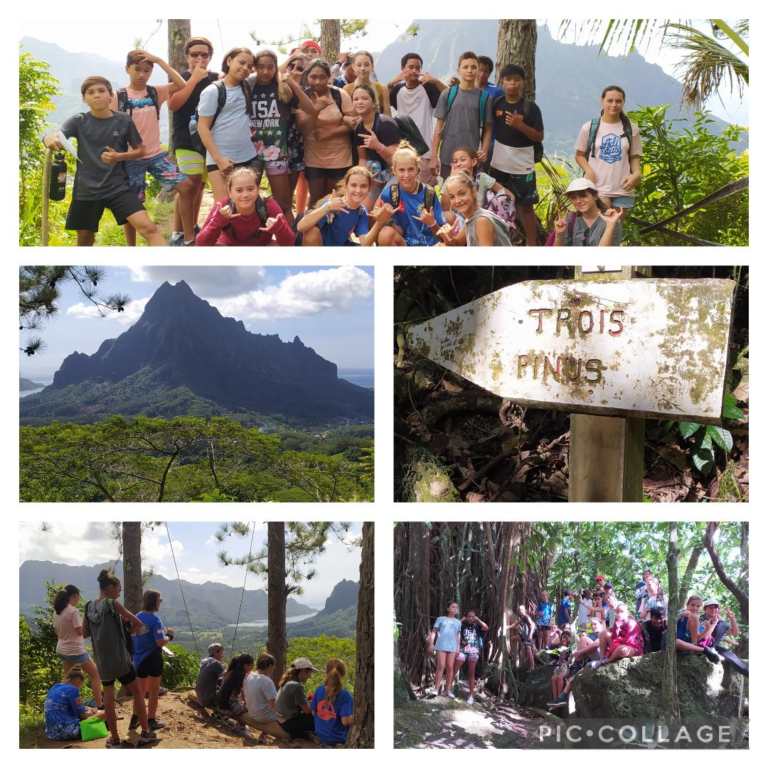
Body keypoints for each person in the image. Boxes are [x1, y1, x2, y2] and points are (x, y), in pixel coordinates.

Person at [42, 77, 166, 247]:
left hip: (118, 187)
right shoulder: (78, 121)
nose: (97, 95)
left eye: (101, 91)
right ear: (84, 99)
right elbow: (58, 136)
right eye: (90, 92)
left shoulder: (123, 120)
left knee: (149, 229)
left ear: (111, 95)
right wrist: (47, 138)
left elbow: (140, 150)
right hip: (86, 190)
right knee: (85, 240)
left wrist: (119, 156)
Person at [111, 50, 194, 246]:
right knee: (133, 204)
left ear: (151, 72)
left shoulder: (155, 91)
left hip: (156, 155)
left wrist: (159, 61)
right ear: (127, 69)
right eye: (137, 69)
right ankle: (131, 246)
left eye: (147, 70)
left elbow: (182, 84)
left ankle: (189, 238)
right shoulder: (118, 96)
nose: (141, 74)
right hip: (131, 158)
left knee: (186, 187)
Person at [82, 569, 156, 748]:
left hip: (103, 661)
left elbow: (84, 633)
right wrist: (127, 634)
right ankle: (146, 732)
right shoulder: (112, 604)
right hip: (120, 659)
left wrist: (101, 631)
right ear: (110, 587)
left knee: (108, 697)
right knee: (137, 692)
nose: (119, 592)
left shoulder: (89, 606)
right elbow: (137, 622)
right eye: (118, 589)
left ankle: (114, 739)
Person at [247, 49, 316, 226]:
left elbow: (309, 108)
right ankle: (251, 236)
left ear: (276, 68)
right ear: (254, 67)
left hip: (276, 152)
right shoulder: (247, 87)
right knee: (248, 200)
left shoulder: (282, 87)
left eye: (270, 67)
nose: (265, 71)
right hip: (249, 151)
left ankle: (290, 237)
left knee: (283, 203)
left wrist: (290, 83)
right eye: (260, 67)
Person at [167, 37, 220, 246]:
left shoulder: (216, 79)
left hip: (209, 140)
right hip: (185, 139)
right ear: (187, 56)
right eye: (194, 54)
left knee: (199, 186)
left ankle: (191, 226)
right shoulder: (180, 78)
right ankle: (178, 233)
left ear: (210, 57)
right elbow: (174, 105)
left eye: (204, 55)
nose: (199, 58)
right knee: (188, 187)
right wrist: (193, 80)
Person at [489, 64, 544, 247]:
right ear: (502, 82)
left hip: (523, 163)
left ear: (523, 83)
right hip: (500, 161)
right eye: (508, 79)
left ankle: (532, 244)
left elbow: (539, 136)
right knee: (498, 202)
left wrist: (521, 126)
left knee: (526, 206)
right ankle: (499, 241)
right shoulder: (496, 103)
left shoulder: (530, 108)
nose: (512, 83)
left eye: (517, 80)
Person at [197, 47, 257, 203]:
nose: (245, 68)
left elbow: (273, 70)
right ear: (229, 61)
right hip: (221, 157)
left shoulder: (247, 85)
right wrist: (219, 159)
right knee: (224, 206)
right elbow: (202, 127)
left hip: (246, 155)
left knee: (245, 204)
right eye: (241, 62)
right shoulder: (212, 91)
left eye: (250, 66)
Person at [575, 85, 642, 220]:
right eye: (610, 101)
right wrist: (589, 171)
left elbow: (634, 157)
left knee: (616, 229)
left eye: (618, 101)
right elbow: (579, 155)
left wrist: (637, 174)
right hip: (597, 188)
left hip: (624, 188)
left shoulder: (631, 129)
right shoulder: (589, 127)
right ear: (602, 101)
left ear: (623, 102)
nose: (614, 105)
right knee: (599, 228)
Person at [299, 59, 357, 207]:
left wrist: (329, 133)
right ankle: (312, 223)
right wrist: (317, 109)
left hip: (340, 157)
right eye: (313, 77)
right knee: (315, 200)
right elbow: (303, 129)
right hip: (313, 157)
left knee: (335, 200)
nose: (318, 81)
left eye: (322, 77)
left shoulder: (339, 95)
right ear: (307, 77)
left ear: (329, 77)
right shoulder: (303, 97)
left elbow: (353, 123)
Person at [431, 51, 492, 182]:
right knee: (448, 190)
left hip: (472, 159)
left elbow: (487, 129)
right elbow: (439, 127)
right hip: (448, 157)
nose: (470, 70)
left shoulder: (484, 97)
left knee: (470, 191)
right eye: (465, 67)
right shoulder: (448, 94)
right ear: (458, 70)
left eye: (474, 67)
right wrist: (433, 156)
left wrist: (484, 151)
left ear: (478, 70)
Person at [197, 165, 295, 246]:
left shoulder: (269, 206)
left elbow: (290, 243)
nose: (245, 195)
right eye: (239, 190)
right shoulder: (223, 206)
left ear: (258, 189)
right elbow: (200, 244)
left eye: (250, 189)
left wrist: (280, 229)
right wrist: (217, 222)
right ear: (230, 192)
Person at [387, 52, 447, 184]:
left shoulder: (428, 87)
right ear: (402, 68)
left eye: (418, 68)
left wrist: (436, 81)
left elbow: (450, 98)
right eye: (411, 67)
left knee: (424, 189)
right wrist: (391, 83)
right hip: (403, 152)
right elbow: (381, 101)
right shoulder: (397, 89)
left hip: (424, 152)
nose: (414, 71)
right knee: (404, 187)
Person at [296, 166, 392, 246]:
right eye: (353, 185)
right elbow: (300, 227)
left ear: (369, 189)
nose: (358, 190)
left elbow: (365, 244)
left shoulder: (361, 212)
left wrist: (379, 222)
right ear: (346, 187)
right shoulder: (333, 204)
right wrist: (326, 207)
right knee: (312, 231)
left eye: (363, 186)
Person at [377, 142, 446, 246]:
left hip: (430, 244)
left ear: (417, 169)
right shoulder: (389, 195)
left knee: (449, 218)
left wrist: (432, 223)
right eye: (401, 170)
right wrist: (386, 220)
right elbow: (398, 232)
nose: (406, 175)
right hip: (405, 244)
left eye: (411, 169)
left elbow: (441, 234)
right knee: (385, 234)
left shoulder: (429, 193)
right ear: (394, 171)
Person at [440, 146, 516, 235]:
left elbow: (510, 196)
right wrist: (451, 179)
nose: (459, 164)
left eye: (463, 160)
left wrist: (494, 209)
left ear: (474, 162)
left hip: (481, 217)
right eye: (455, 161)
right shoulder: (451, 180)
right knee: (447, 215)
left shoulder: (482, 178)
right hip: (459, 219)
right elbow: (444, 208)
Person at [352, 84, 402, 210]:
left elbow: (397, 160)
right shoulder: (359, 128)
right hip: (377, 175)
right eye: (356, 99)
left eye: (364, 98)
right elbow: (363, 158)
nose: (360, 102)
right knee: (363, 208)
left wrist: (378, 147)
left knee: (378, 209)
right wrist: (365, 177)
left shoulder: (386, 124)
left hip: (397, 173)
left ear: (374, 102)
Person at [52, 585, 102, 708]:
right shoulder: (73, 611)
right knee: (96, 675)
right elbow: (80, 632)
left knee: (70, 680)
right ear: (75, 596)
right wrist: (89, 624)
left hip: (62, 650)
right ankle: (99, 705)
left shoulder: (56, 611)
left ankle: (71, 707)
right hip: (75, 651)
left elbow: (56, 633)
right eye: (78, 598)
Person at [130, 589, 173, 732]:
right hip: (153, 659)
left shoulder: (137, 617)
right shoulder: (155, 620)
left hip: (139, 659)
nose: (160, 602)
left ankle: (135, 718)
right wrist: (169, 636)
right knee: (153, 692)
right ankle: (151, 720)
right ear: (155, 602)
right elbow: (160, 642)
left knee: (140, 692)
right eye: (159, 600)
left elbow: (136, 635)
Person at [438, 172, 511, 246]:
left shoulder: (481, 221)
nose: (457, 201)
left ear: (473, 192)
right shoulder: (470, 219)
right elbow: (457, 243)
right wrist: (447, 236)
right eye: (452, 197)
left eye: (462, 194)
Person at [552, 178, 622, 246]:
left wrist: (610, 226)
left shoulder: (611, 221)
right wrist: (559, 235)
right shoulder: (569, 219)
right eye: (573, 197)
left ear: (595, 196)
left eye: (583, 195)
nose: (578, 201)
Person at [283, 52, 312, 216]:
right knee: (279, 189)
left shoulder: (308, 91)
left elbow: (311, 111)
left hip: (299, 142)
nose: (294, 70)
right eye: (291, 66)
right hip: (278, 142)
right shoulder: (278, 85)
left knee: (291, 188)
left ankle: (293, 217)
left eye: (300, 68)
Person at [44, 668, 105, 741]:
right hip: (68, 732)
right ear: (78, 680)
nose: (79, 688)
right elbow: (83, 715)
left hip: (51, 734)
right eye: (80, 685)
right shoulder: (73, 689)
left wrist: (86, 708)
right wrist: (94, 711)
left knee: (88, 706)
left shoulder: (54, 687)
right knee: (106, 713)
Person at [241, 653, 289, 739]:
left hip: (251, 712)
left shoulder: (249, 675)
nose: (273, 669)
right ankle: (278, 735)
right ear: (270, 666)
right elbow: (273, 705)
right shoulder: (267, 681)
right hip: (263, 716)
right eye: (273, 667)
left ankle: (264, 734)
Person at [310, 658, 354, 745]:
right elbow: (345, 722)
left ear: (326, 673)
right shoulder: (345, 695)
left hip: (320, 736)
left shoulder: (319, 690)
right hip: (338, 739)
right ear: (343, 673)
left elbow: (313, 713)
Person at [701, 598, 749, 676]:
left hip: (714, 647)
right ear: (705, 609)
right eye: (710, 607)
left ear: (718, 610)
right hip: (703, 645)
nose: (713, 609)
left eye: (715, 607)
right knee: (722, 624)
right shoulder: (701, 620)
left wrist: (732, 618)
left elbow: (735, 633)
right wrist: (713, 623)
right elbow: (704, 637)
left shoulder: (720, 622)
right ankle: (711, 648)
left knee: (732, 657)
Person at [588, 602, 644, 668]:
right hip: (619, 645)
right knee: (603, 633)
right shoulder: (617, 622)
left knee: (623, 649)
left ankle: (607, 661)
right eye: (617, 611)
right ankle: (601, 660)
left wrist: (617, 646)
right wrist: (616, 627)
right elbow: (614, 638)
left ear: (627, 613)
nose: (619, 613)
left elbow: (629, 640)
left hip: (633, 647)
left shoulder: (631, 622)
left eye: (622, 611)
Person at [275, 657, 320, 738]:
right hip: (288, 724)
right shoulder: (296, 686)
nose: (310, 677)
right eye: (309, 673)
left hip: (280, 719)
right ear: (304, 671)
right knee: (317, 716)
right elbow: (307, 711)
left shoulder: (288, 681)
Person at [453, 610, 488, 705]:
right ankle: (447, 690)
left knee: (471, 673)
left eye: (472, 617)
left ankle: (471, 696)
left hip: (474, 651)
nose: (470, 618)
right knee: (454, 669)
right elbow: (454, 626)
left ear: (475, 617)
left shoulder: (477, 627)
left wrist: (478, 620)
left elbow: (486, 627)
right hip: (463, 650)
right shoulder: (462, 626)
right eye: (468, 616)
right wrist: (462, 619)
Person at [428, 601, 462, 697]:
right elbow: (433, 632)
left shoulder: (458, 622)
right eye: (453, 607)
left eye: (456, 608)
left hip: (452, 647)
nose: (455, 609)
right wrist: (431, 644)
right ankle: (436, 689)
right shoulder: (441, 619)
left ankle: (447, 690)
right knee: (441, 665)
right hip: (441, 645)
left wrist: (458, 647)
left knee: (450, 667)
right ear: (448, 608)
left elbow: (458, 635)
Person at [217, 653, 255, 717]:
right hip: (226, 708)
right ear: (246, 665)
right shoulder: (242, 675)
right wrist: (246, 705)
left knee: (241, 702)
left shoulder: (233, 671)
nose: (252, 668)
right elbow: (243, 692)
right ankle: (239, 722)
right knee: (249, 707)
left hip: (219, 703)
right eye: (251, 666)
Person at [195, 643, 225, 708]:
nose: (222, 655)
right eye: (221, 653)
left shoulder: (205, 662)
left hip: (200, 697)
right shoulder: (215, 663)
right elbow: (227, 677)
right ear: (215, 653)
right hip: (209, 700)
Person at [507, 604, 536, 672]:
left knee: (528, 650)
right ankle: (511, 655)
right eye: (520, 610)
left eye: (522, 609)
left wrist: (530, 635)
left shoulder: (526, 616)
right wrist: (507, 627)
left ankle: (532, 667)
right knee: (512, 639)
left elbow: (532, 625)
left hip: (528, 635)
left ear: (525, 610)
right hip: (524, 635)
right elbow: (516, 624)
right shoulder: (523, 617)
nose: (521, 611)